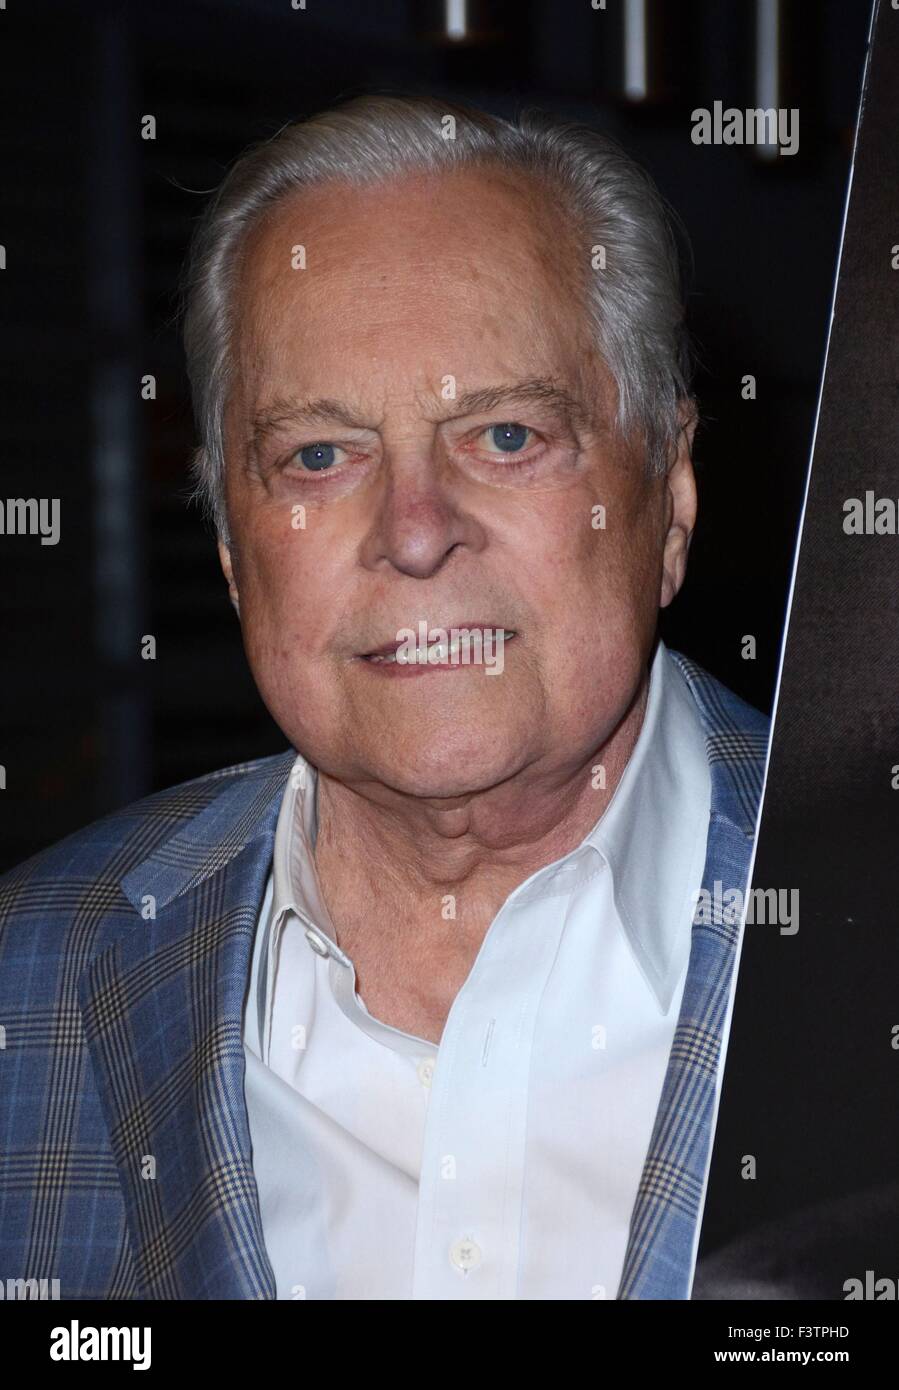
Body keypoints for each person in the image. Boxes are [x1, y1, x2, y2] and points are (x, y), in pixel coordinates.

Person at [0, 95, 768, 1300]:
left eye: (505, 435)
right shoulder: (28, 976)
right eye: (318, 454)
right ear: (229, 551)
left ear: (666, 499)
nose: (413, 534)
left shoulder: (854, 896)